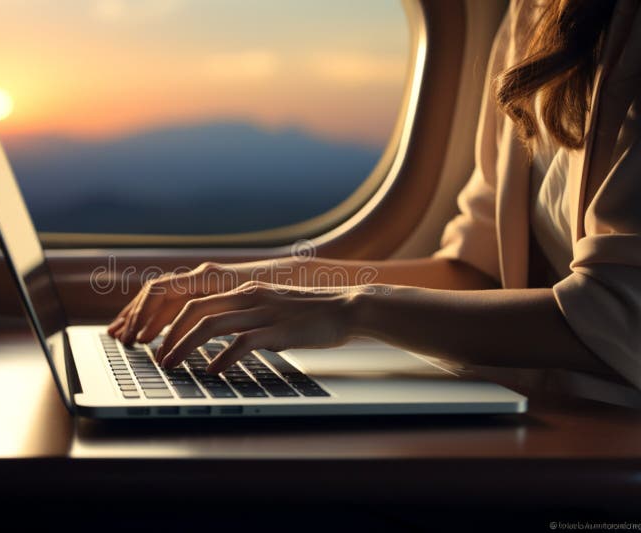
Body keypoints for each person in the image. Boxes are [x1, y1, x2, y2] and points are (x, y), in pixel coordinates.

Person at [109, 0, 641, 402]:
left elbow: (619, 316)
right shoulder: (533, 14)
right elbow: (475, 272)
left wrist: (353, 310)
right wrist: (266, 282)